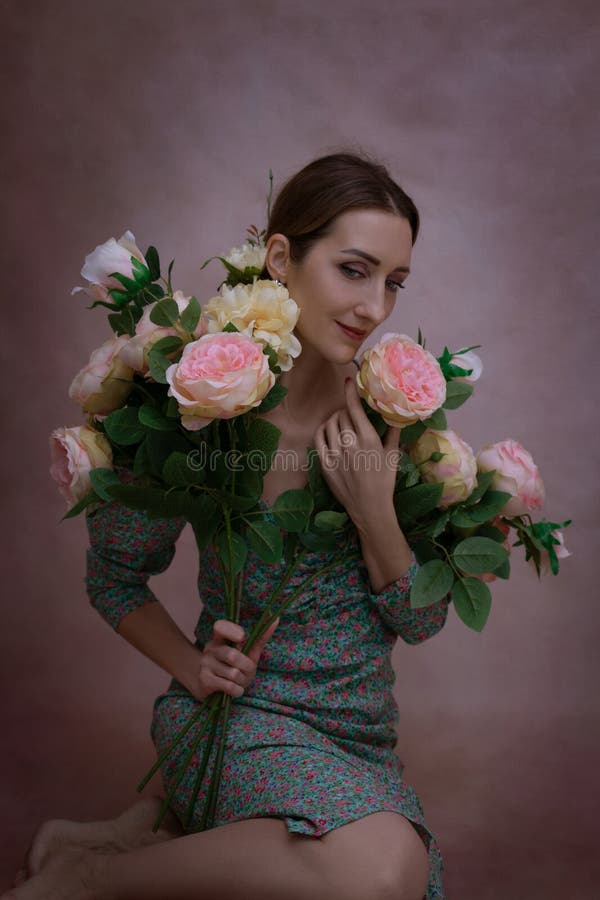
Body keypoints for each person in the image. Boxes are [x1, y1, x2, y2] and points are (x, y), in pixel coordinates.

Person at [6, 153, 450, 900]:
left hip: (359, 738)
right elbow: (114, 579)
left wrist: (375, 510)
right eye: (353, 270)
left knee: (386, 872)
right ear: (280, 258)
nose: (374, 307)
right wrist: (192, 667)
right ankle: (94, 877)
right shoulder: (206, 410)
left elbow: (422, 618)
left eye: (394, 282)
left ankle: (143, 833)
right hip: (236, 718)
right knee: (381, 872)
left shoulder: (394, 416)